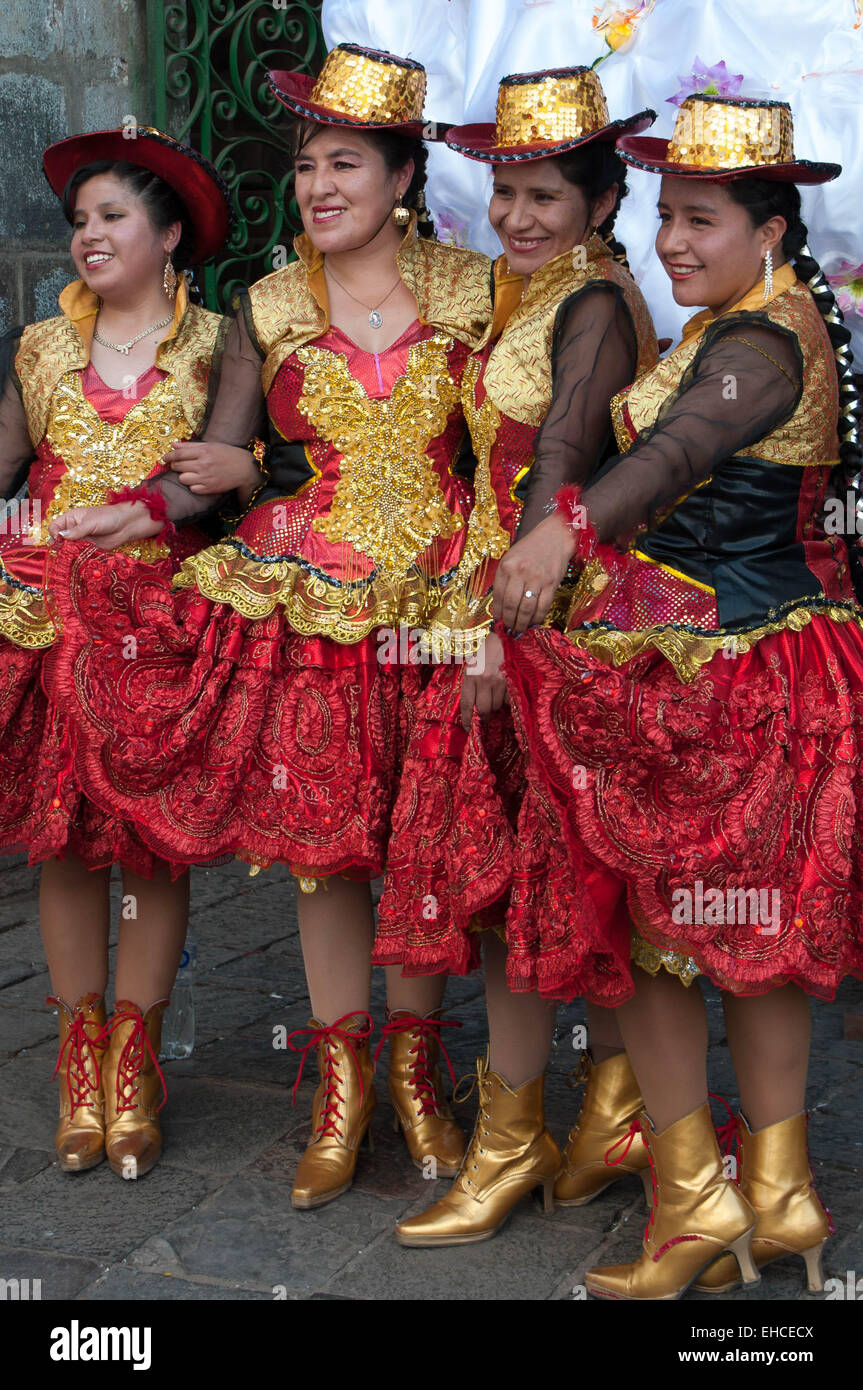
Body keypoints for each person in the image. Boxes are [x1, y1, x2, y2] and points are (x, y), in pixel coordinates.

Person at [44, 45, 494, 1208]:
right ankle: (340, 1091)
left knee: (421, 842)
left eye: (343, 163)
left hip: (443, 599)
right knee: (323, 851)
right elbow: (224, 463)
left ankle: (417, 1075)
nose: (316, 187)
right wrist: (142, 508)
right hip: (314, 604)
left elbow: (513, 451)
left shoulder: (473, 294)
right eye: (303, 169)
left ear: (402, 177)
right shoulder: (267, 303)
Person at [497, 93, 859, 1298]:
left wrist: (562, 534)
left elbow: (671, 459)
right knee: (750, 935)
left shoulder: (757, 345)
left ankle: (695, 1203)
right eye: (663, 218)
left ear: (769, 228)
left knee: (653, 933)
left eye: (700, 220)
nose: (671, 243)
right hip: (750, 658)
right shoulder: (752, 324)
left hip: (725, 670)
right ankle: (778, 1190)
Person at [370, 67, 660, 1244]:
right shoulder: (530, 288)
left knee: (529, 886)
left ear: (597, 204)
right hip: (501, 598)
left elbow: (560, 472)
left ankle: (520, 1139)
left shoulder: (588, 305)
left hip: (548, 616)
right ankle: (579, 1116)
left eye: (544, 194)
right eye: (505, 192)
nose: (519, 214)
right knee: (522, 889)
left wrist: (504, 626)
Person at [0, 127, 234, 1178]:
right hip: (50, 619)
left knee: (148, 843)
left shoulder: (221, 344)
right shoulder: (43, 348)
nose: (90, 235)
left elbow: (247, 479)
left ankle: (135, 1058)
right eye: (81, 221)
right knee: (63, 838)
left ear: (170, 234)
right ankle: (78, 1058)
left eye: (113, 217)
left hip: (158, 628)